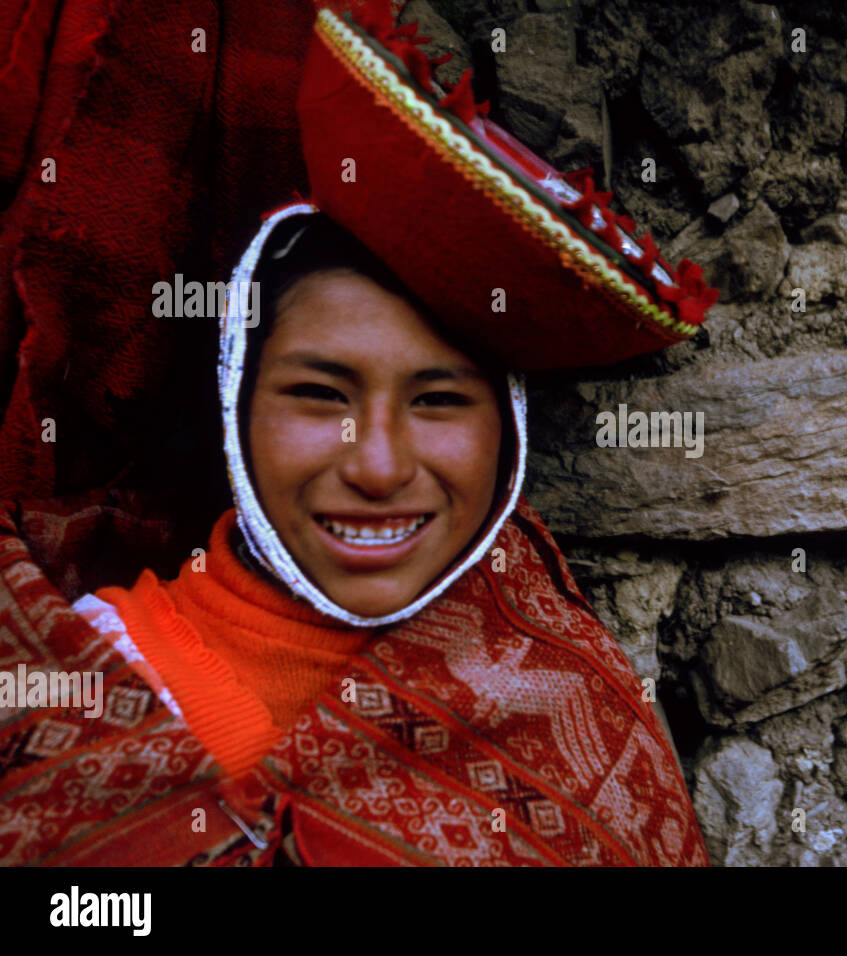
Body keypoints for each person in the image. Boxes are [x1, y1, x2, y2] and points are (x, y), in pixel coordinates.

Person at [0, 4, 717, 866]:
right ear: (236, 405)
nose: (378, 465)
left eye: (439, 402)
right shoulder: (65, 693)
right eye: (317, 394)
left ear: (509, 436)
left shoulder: (582, 730)